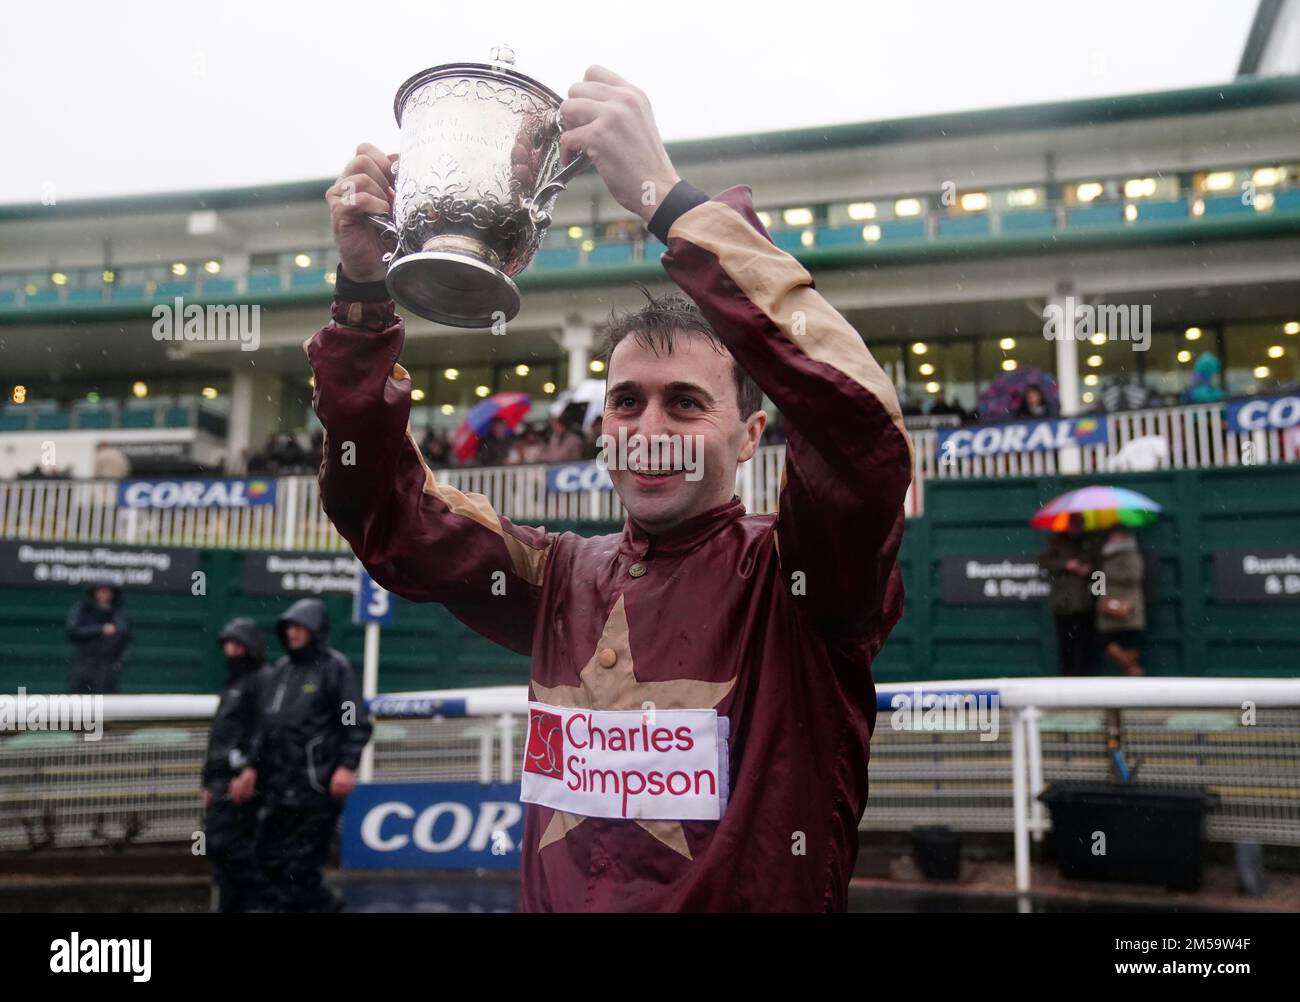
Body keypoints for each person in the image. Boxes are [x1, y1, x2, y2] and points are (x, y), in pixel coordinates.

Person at [312, 65, 911, 912]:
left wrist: (669, 201)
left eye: (686, 403)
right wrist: (366, 292)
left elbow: (861, 427)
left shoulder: (805, 579)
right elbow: (377, 505)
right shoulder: (560, 576)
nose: (649, 428)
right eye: (626, 402)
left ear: (749, 438)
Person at [238, 598, 371, 912]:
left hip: (316, 787)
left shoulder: (334, 668)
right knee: (268, 859)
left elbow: (357, 723)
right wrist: (250, 768)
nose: (293, 634)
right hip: (278, 787)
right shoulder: (281, 670)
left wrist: (346, 766)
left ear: (316, 629)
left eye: (300, 627)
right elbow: (266, 725)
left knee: (301, 867)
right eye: (289, 628)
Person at [202, 618, 268, 912]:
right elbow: (218, 736)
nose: (230, 650)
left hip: (240, 782)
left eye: (236, 644)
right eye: (227, 644)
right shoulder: (233, 685)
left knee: (226, 845)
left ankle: (264, 900)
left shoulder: (259, 681)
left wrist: (249, 770)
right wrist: (206, 782)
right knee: (221, 852)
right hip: (221, 781)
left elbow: (263, 730)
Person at [1039, 515, 1102, 676]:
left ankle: (1085, 674)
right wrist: (1066, 565)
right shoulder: (1057, 541)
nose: (1076, 528)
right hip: (1063, 602)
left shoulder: (1091, 543)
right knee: (1066, 643)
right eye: (1073, 525)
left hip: (1086, 602)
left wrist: (1090, 572)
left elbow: (1100, 570)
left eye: (1079, 525)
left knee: (1086, 642)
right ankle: (1068, 675)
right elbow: (1044, 562)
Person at [1095, 528, 1147, 676]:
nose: (1113, 536)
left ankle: (1130, 672)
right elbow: (1097, 579)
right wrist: (1098, 594)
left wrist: (1108, 573)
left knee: (1129, 641)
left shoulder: (1130, 554)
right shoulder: (1103, 555)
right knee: (1104, 640)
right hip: (1108, 604)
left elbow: (1133, 575)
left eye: (1116, 533)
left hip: (1128, 604)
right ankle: (1131, 669)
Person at [66, 585, 132, 694]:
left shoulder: (119, 614)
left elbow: (127, 638)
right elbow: (73, 632)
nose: (103, 595)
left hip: (107, 669)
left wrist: (119, 663)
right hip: (84, 666)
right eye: (101, 591)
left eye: (107, 592)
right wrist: (100, 629)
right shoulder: (83, 610)